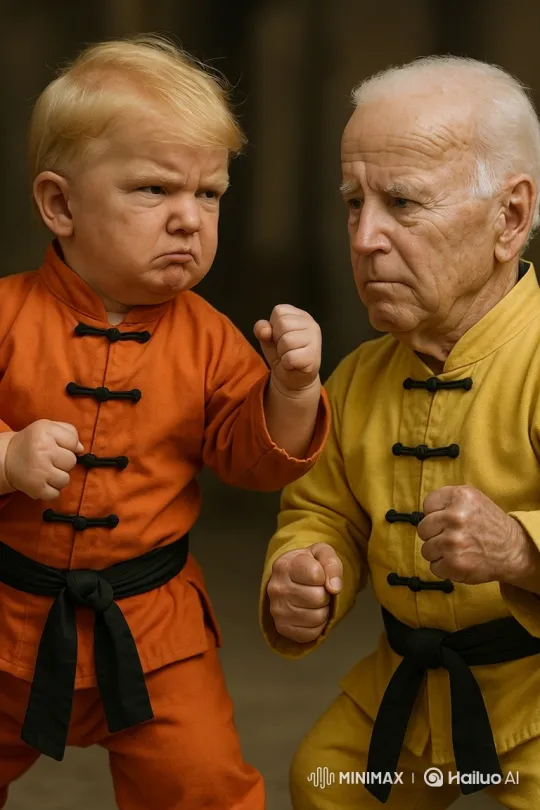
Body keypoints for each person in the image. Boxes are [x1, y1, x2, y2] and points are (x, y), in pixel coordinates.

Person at [0, 35, 329, 810]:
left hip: (155, 630)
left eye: (208, 195)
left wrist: (293, 388)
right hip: (8, 620)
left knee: (204, 785)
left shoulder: (213, 337)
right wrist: (7, 455)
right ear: (60, 204)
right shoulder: (8, 316)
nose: (189, 219)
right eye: (154, 190)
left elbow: (255, 461)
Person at [261, 55, 540, 809]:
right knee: (324, 782)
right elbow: (324, 512)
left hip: (537, 699)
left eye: (403, 203)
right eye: (354, 203)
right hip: (415, 691)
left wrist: (519, 547)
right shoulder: (355, 378)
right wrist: (308, 568)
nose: (365, 238)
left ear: (509, 218)